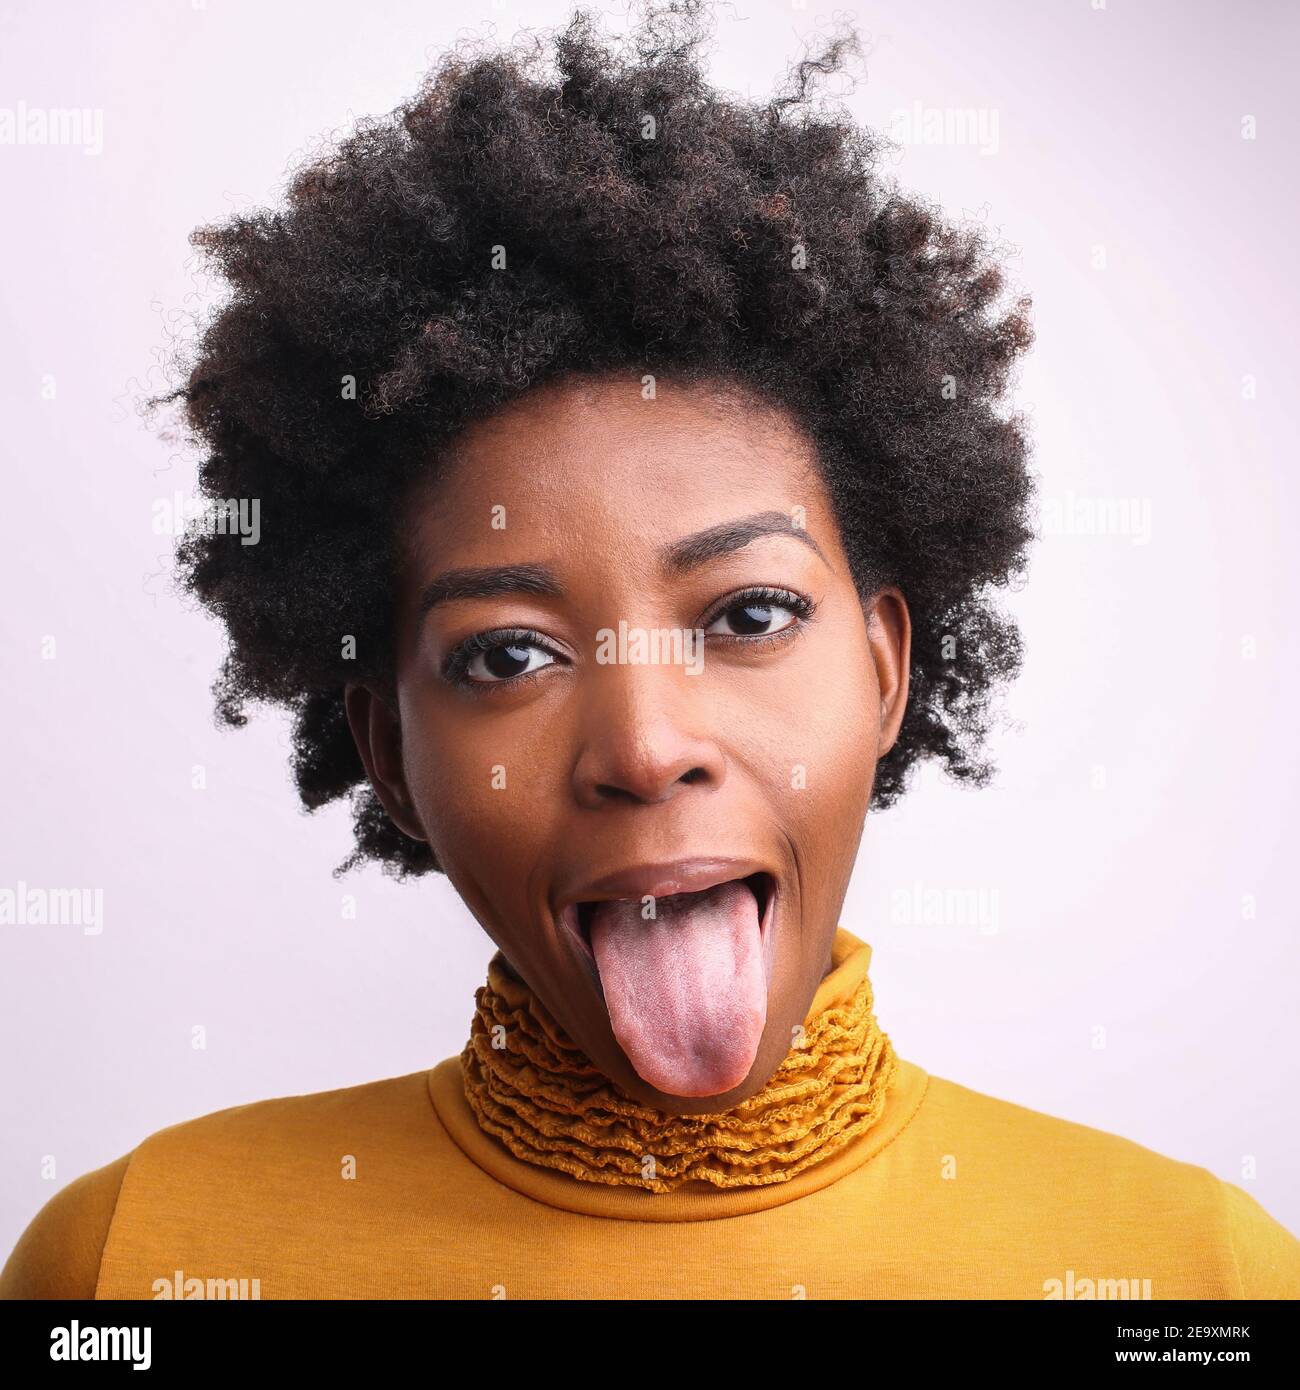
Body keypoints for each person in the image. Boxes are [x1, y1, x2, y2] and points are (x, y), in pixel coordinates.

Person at [4, 0, 1296, 1299]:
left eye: (747, 615)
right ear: (390, 753)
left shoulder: (1193, 1278)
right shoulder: (134, 1259)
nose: (642, 746)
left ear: (886, 668)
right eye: (508, 654)